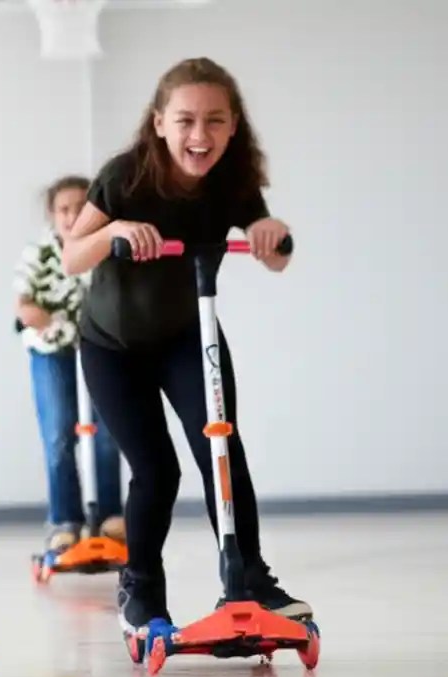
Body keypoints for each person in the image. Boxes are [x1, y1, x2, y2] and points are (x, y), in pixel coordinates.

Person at [59, 57, 312, 635]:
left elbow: (272, 254)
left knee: (222, 453)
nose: (200, 136)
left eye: (214, 121)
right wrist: (114, 231)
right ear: (159, 123)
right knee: (157, 470)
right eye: (186, 120)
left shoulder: (234, 181)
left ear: (232, 125)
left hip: (187, 338)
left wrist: (270, 237)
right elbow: (74, 255)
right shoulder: (124, 176)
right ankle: (141, 586)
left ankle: (250, 578)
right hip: (112, 346)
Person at [14, 175, 124, 555]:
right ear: (52, 214)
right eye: (64, 209)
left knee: (107, 432)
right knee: (59, 435)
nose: (73, 215)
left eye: (82, 207)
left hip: (99, 348)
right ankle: (65, 519)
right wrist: (40, 317)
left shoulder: (107, 248)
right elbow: (24, 304)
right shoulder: (39, 254)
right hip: (52, 351)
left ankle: (111, 515)